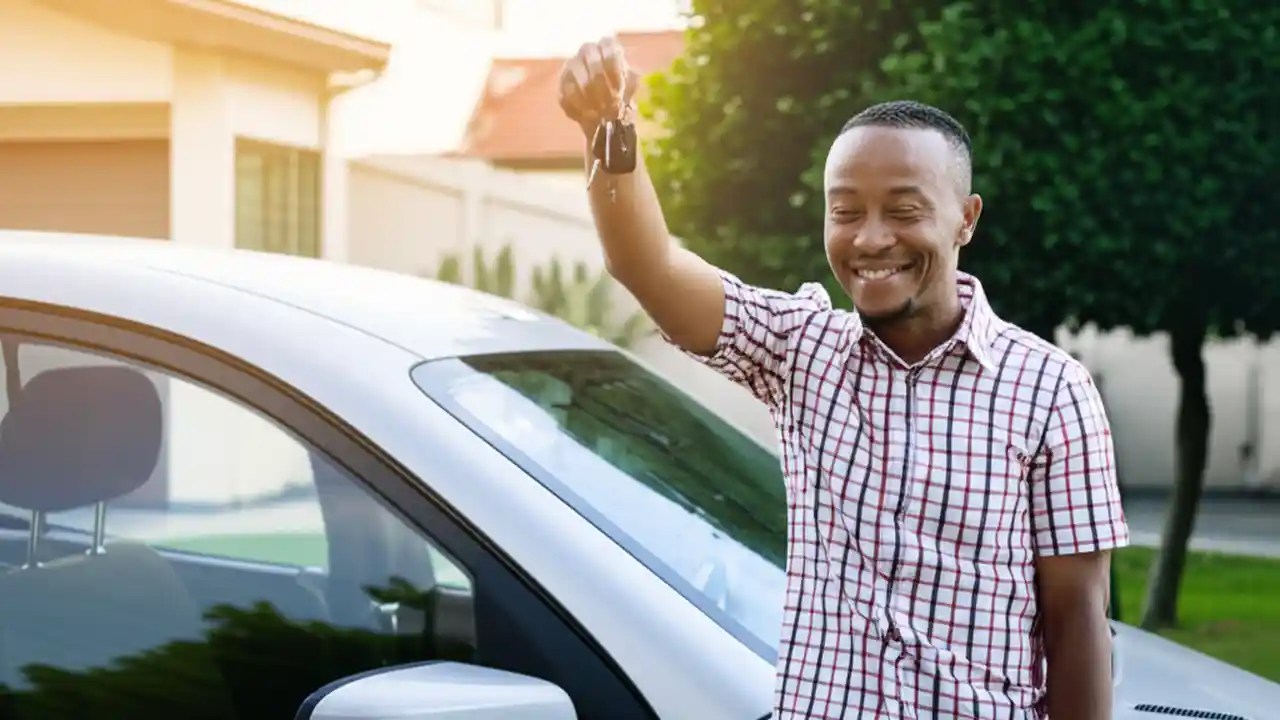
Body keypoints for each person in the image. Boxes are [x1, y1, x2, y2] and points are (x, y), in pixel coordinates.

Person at [558, 36, 1129, 720]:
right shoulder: (799, 351)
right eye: (846, 210)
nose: (869, 239)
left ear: (965, 221)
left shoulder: (1049, 390)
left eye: (904, 210)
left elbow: (1078, 623)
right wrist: (608, 130)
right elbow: (648, 267)